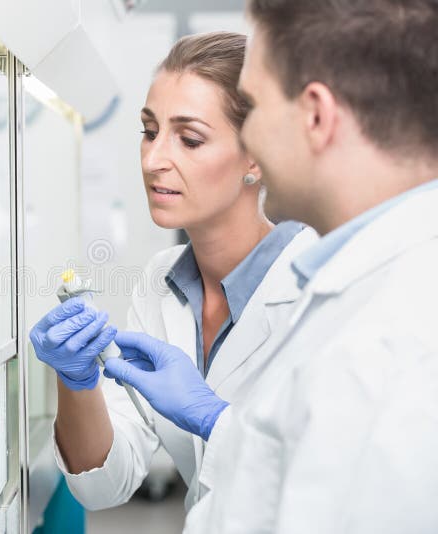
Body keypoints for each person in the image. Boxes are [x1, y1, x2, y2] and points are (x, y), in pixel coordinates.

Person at [102, 1, 438, 532]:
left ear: (316, 117)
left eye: (253, 108)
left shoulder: (396, 328)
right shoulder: (361, 286)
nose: (250, 139)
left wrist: (216, 422)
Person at [29, 31, 317, 510]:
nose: (153, 159)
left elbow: (342, 486)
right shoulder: (161, 282)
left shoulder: (314, 288)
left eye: (189, 138)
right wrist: (75, 382)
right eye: (149, 131)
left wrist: (214, 419)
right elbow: (104, 485)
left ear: (257, 156)